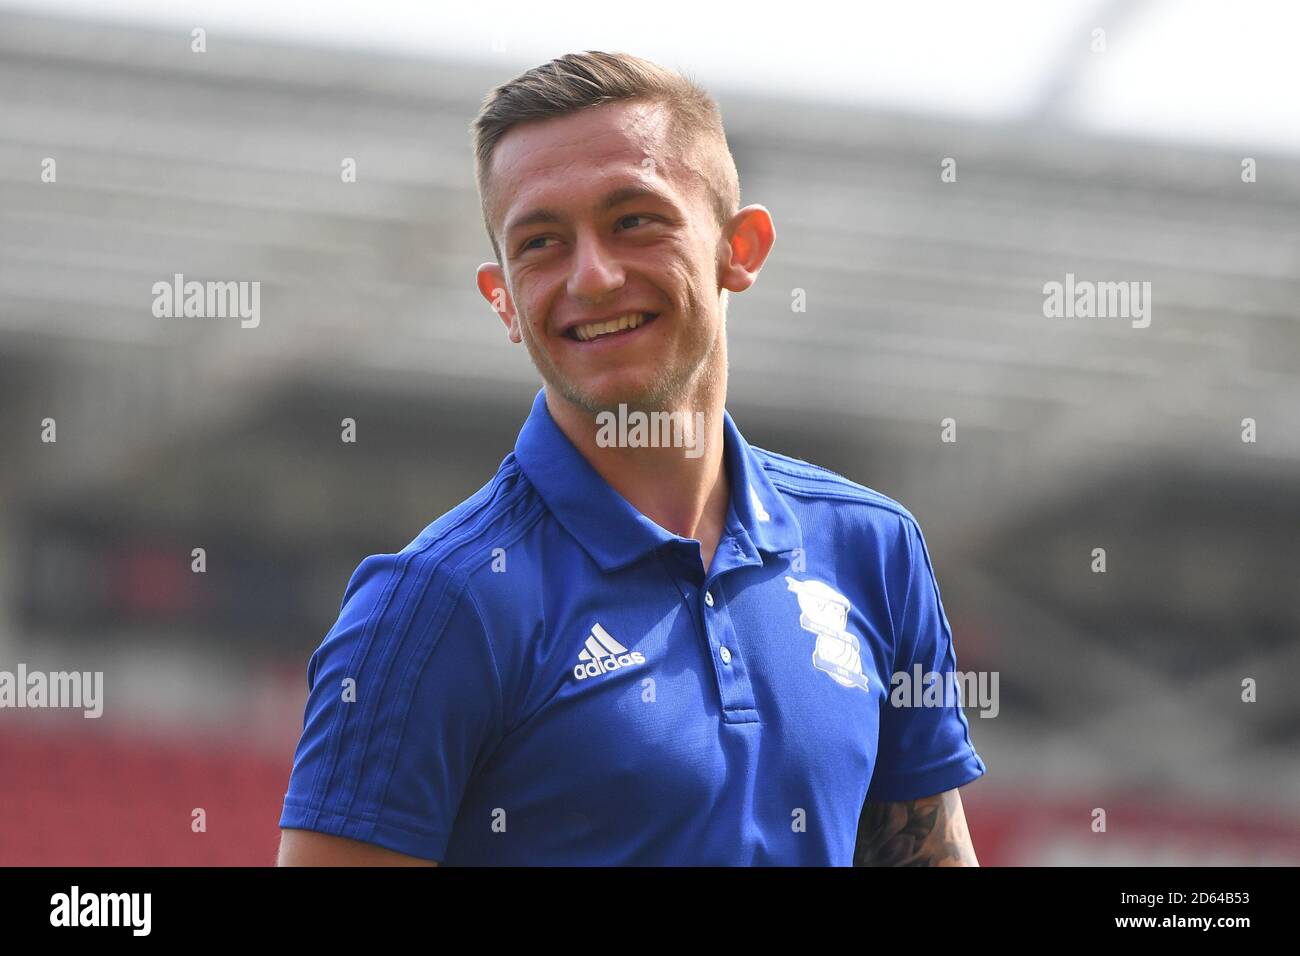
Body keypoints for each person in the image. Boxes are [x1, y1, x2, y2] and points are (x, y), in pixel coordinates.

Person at [277, 50, 985, 866]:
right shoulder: (434, 608)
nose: (594, 276)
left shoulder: (872, 549)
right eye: (541, 242)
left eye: (634, 220)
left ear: (740, 248)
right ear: (502, 297)